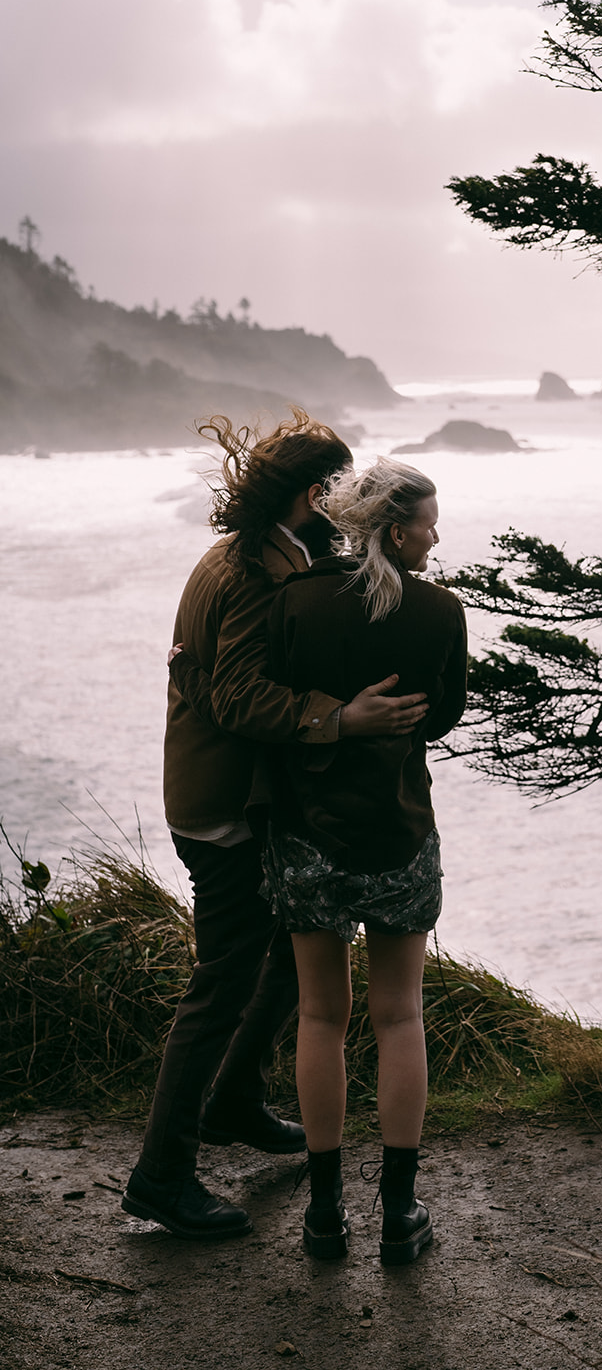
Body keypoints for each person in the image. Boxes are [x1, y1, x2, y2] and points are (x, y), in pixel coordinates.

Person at [123, 412, 429, 1241]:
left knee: (291, 954)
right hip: (223, 806)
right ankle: (161, 1175)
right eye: (338, 485)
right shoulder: (254, 575)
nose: (349, 496)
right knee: (221, 984)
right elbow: (238, 697)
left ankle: (232, 1100)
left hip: (218, 793)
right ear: (310, 493)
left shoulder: (259, 555)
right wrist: (344, 717)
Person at [257, 457, 466, 1265]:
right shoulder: (439, 611)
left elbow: (270, 703)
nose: (436, 534)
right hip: (398, 831)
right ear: (394, 528)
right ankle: (399, 1213)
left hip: (308, 833)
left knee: (320, 1017)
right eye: (427, 522)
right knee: (398, 1015)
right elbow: (441, 719)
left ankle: (321, 1217)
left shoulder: (294, 602)